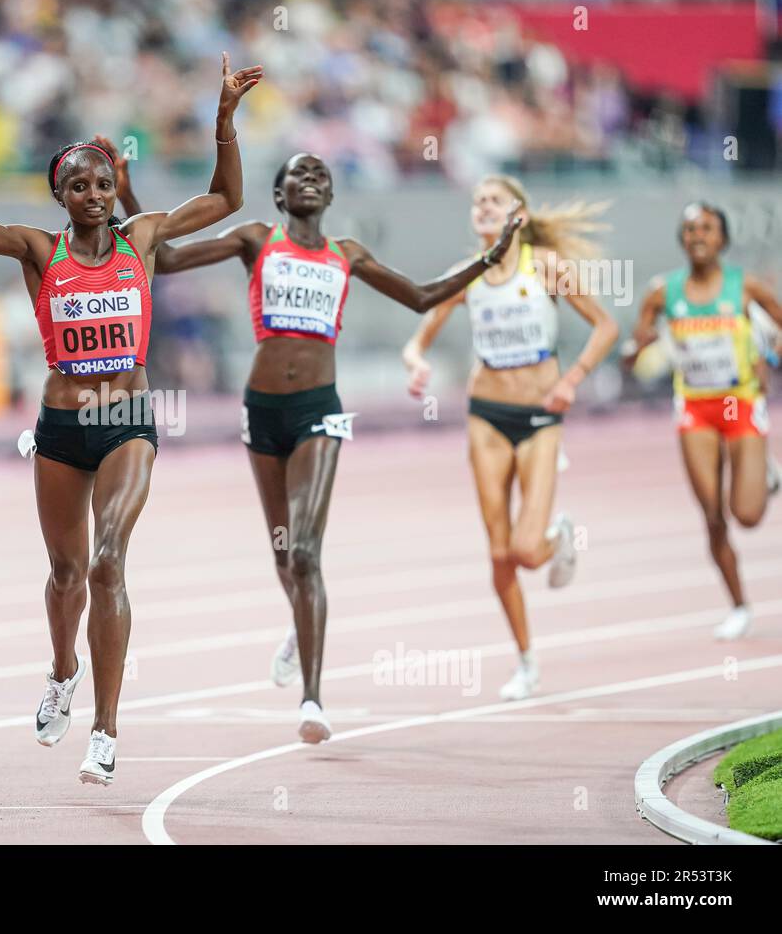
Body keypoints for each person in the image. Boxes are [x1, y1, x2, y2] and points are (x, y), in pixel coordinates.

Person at [0, 55, 261, 784]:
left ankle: (105, 728)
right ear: (61, 196)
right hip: (62, 428)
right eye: (79, 185)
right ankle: (61, 670)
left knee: (107, 561)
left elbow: (226, 197)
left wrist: (224, 118)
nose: (95, 194)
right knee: (66, 572)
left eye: (103, 182)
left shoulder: (144, 237)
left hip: (129, 417)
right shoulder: (41, 250)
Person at [103, 146, 520, 740]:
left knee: (304, 552)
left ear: (329, 196)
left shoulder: (347, 254)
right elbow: (163, 259)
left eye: (320, 174)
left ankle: (313, 701)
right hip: (262, 410)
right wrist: (126, 192)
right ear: (280, 196)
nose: (310, 179)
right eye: (298, 173)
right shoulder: (255, 238)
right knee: (281, 553)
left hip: (318, 411)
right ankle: (303, 625)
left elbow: (424, 297)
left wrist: (489, 258)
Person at [403, 175, 618, 700]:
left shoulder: (545, 266)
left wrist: (571, 381)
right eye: (476, 201)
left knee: (526, 549)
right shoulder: (466, 275)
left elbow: (606, 327)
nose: (482, 207)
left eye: (493, 200)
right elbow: (419, 339)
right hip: (486, 414)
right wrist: (415, 364)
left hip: (541, 414)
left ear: (516, 214)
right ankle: (525, 661)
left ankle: (555, 536)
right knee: (499, 552)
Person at [622, 202, 782, 640]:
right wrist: (637, 350)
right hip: (695, 408)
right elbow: (633, 350)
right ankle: (738, 605)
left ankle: (764, 473)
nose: (698, 236)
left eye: (707, 229)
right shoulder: (662, 292)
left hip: (740, 403)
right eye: (690, 229)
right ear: (682, 238)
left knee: (745, 514)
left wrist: (772, 350)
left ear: (723, 239)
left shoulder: (745, 287)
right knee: (712, 515)